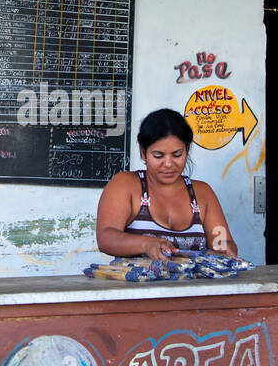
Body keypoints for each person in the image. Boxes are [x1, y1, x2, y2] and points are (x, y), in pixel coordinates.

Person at [96, 108, 238, 260]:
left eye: (177, 155)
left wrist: (224, 248)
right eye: (158, 156)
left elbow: (222, 240)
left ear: (187, 150)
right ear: (143, 153)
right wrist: (146, 244)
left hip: (192, 284)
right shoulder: (125, 185)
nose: (169, 164)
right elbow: (106, 237)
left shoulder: (202, 193)